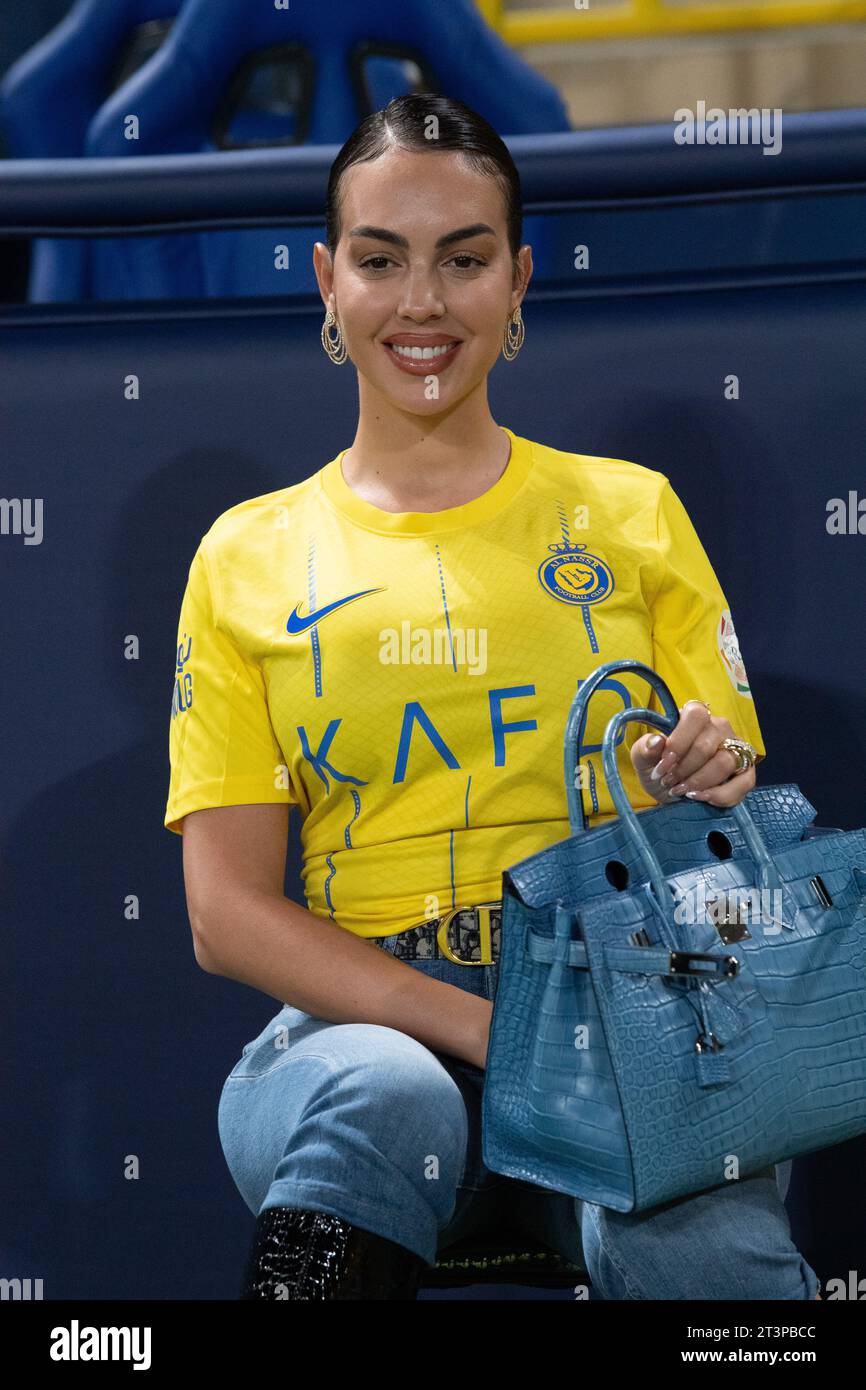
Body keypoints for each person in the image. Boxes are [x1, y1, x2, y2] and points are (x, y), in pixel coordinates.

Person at [164, 93, 821, 1301]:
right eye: (380, 259)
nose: (422, 302)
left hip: (620, 1022)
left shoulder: (630, 514)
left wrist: (713, 789)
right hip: (357, 1047)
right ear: (326, 280)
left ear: (518, 280)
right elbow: (225, 915)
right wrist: (488, 1034)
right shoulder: (242, 556)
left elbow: (723, 840)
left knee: (708, 1258)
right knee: (384, 1088)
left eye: (463, 260)